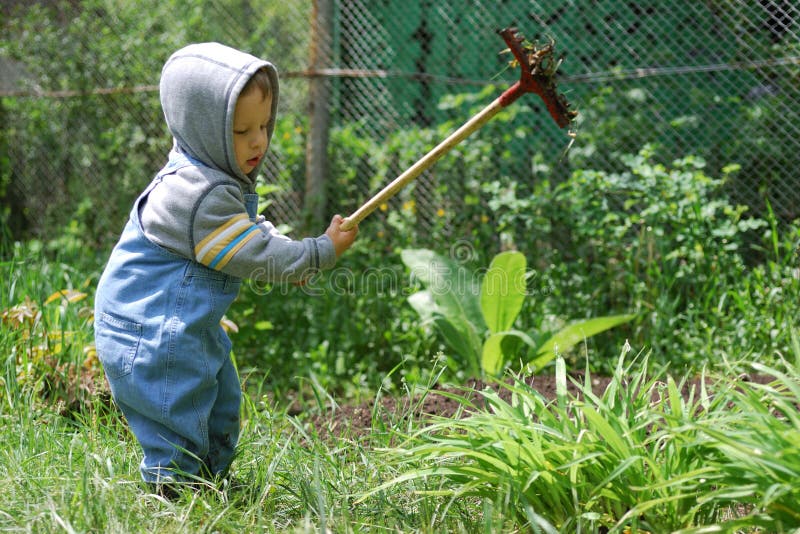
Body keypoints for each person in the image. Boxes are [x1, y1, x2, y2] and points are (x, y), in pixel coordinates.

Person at [93, 42, 358, 491]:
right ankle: (172, 494)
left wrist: (293, 256)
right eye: (240, 130)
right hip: (152, 332)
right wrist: (318, 252)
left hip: (180, 326)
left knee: (220, 405)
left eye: (264, 125)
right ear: (204, 129)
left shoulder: (207, 175)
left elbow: (249, 233)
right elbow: (255, 253)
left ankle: (211, 484)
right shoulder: (196, 194)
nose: (258, 141)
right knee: (177, 426)